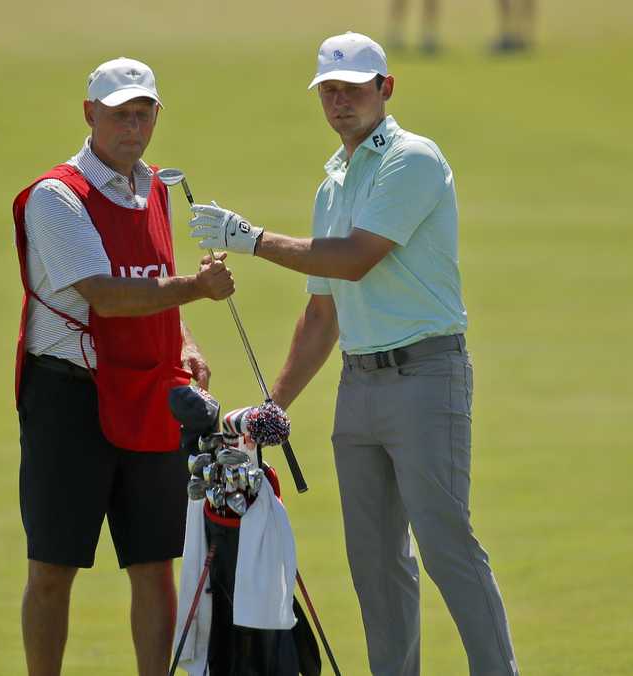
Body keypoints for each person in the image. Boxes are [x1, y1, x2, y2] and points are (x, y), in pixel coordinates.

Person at [187, 32, 519, 675]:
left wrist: (250, 239)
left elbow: (356, 260)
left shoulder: (413, 159)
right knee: (374, 561)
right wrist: (271, 407)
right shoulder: (333, 182)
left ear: (385, 89)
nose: (340, 101)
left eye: (354, 88)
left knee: (447, 544)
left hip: (425, 375)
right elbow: (323, 311)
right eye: (329, 91)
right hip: (358, 386)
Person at [10, 57, 234, 676]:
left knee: (153, 562)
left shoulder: (154, 186)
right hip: (69, 399)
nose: (132, 127)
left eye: (143, 114)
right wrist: (195, 289)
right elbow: (106, 294)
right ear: (90, 114)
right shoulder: (58, 196)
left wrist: (183, 337)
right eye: (119, 114)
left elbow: (150, 279)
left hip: (148, 389)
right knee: (54, 566)